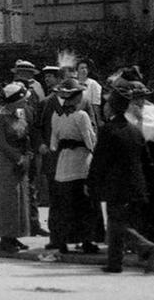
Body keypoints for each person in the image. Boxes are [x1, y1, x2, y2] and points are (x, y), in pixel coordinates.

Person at [90, 83, 154, 274]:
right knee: (119, 222)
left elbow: (100, 160)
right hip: (135, 184)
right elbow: (147, 160)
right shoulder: (134, 130)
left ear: (112, 106)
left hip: (116, 185)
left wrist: (91, 182)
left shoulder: (108, 130)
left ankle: (147, 246)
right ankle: (114, 262)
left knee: (117, 223)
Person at [46, 77, 102, 253]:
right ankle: (86, 240)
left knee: (65, 204)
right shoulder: (81, 116)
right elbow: (90, 140)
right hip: (80, 162)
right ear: (77, 96)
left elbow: (53, 143)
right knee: (83, 205)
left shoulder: (57, 116)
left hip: (63, 162)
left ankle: (62, 240)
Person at [0, 82, 34, 253]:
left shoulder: (20, 113)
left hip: (20, 159)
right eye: (22, 100)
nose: (25, 102)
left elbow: (26, 135)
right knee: (6, 200)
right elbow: (1, 144)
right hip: (5, 162)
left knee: (19, 199)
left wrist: (27, 154)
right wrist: (18, 158)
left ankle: (14, 235)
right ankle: (5, 238)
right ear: (14, 101)